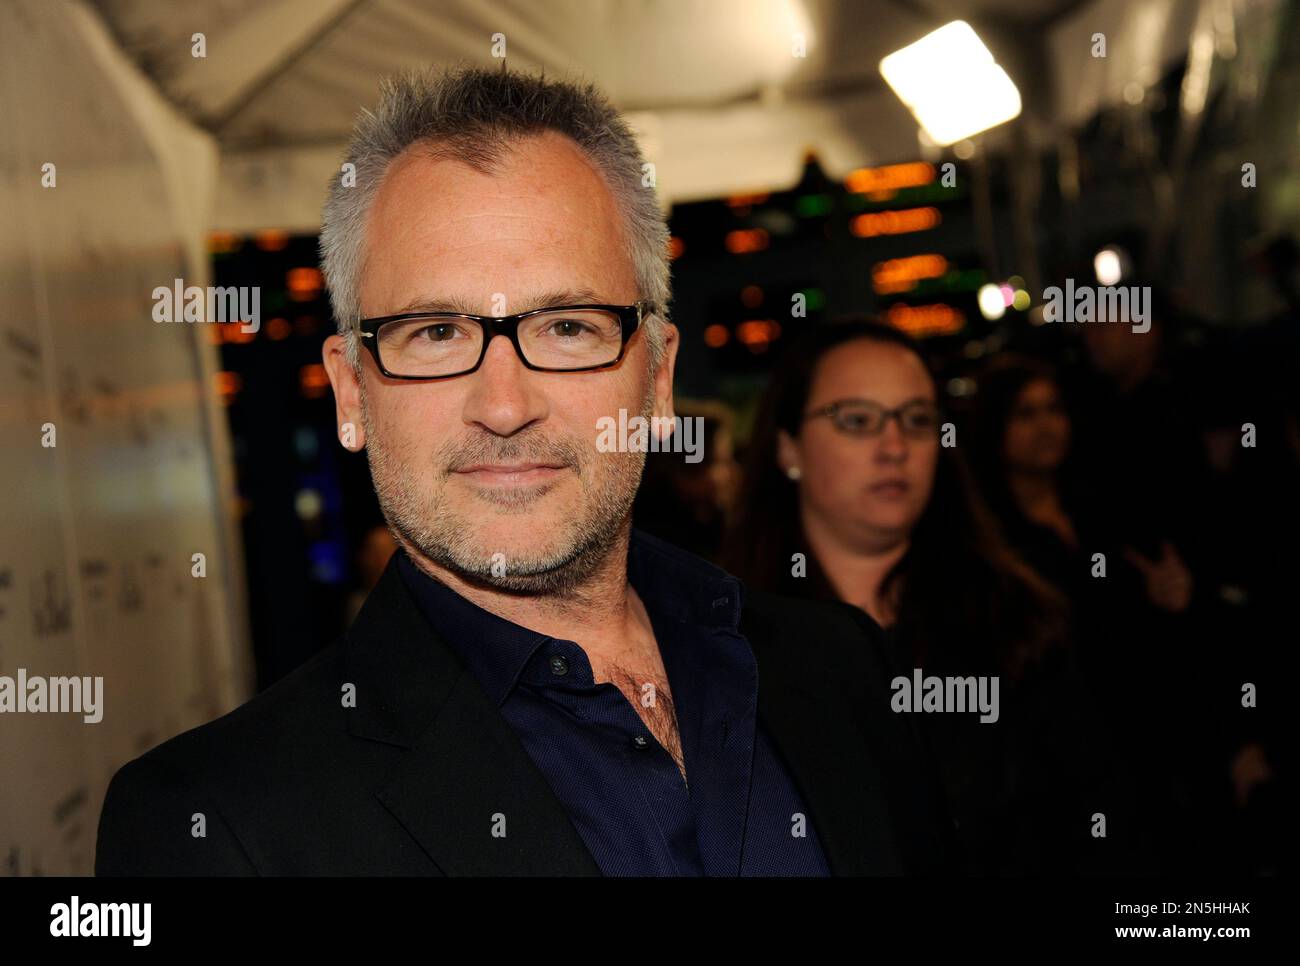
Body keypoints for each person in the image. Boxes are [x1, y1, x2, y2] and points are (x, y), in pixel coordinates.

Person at [95, 66, 949, 876]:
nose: (504, 406)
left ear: (655, 379)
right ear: (352, 393)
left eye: (566, 327)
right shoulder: (217, 825)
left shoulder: (840, 671)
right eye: (435, 333)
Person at [726, 319, 1134, 874]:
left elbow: (1099, 817)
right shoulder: (724, 642)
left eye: (917, 421)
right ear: (787, 446)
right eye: (858, 420)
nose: (894, 446)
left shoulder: (1018, 617)